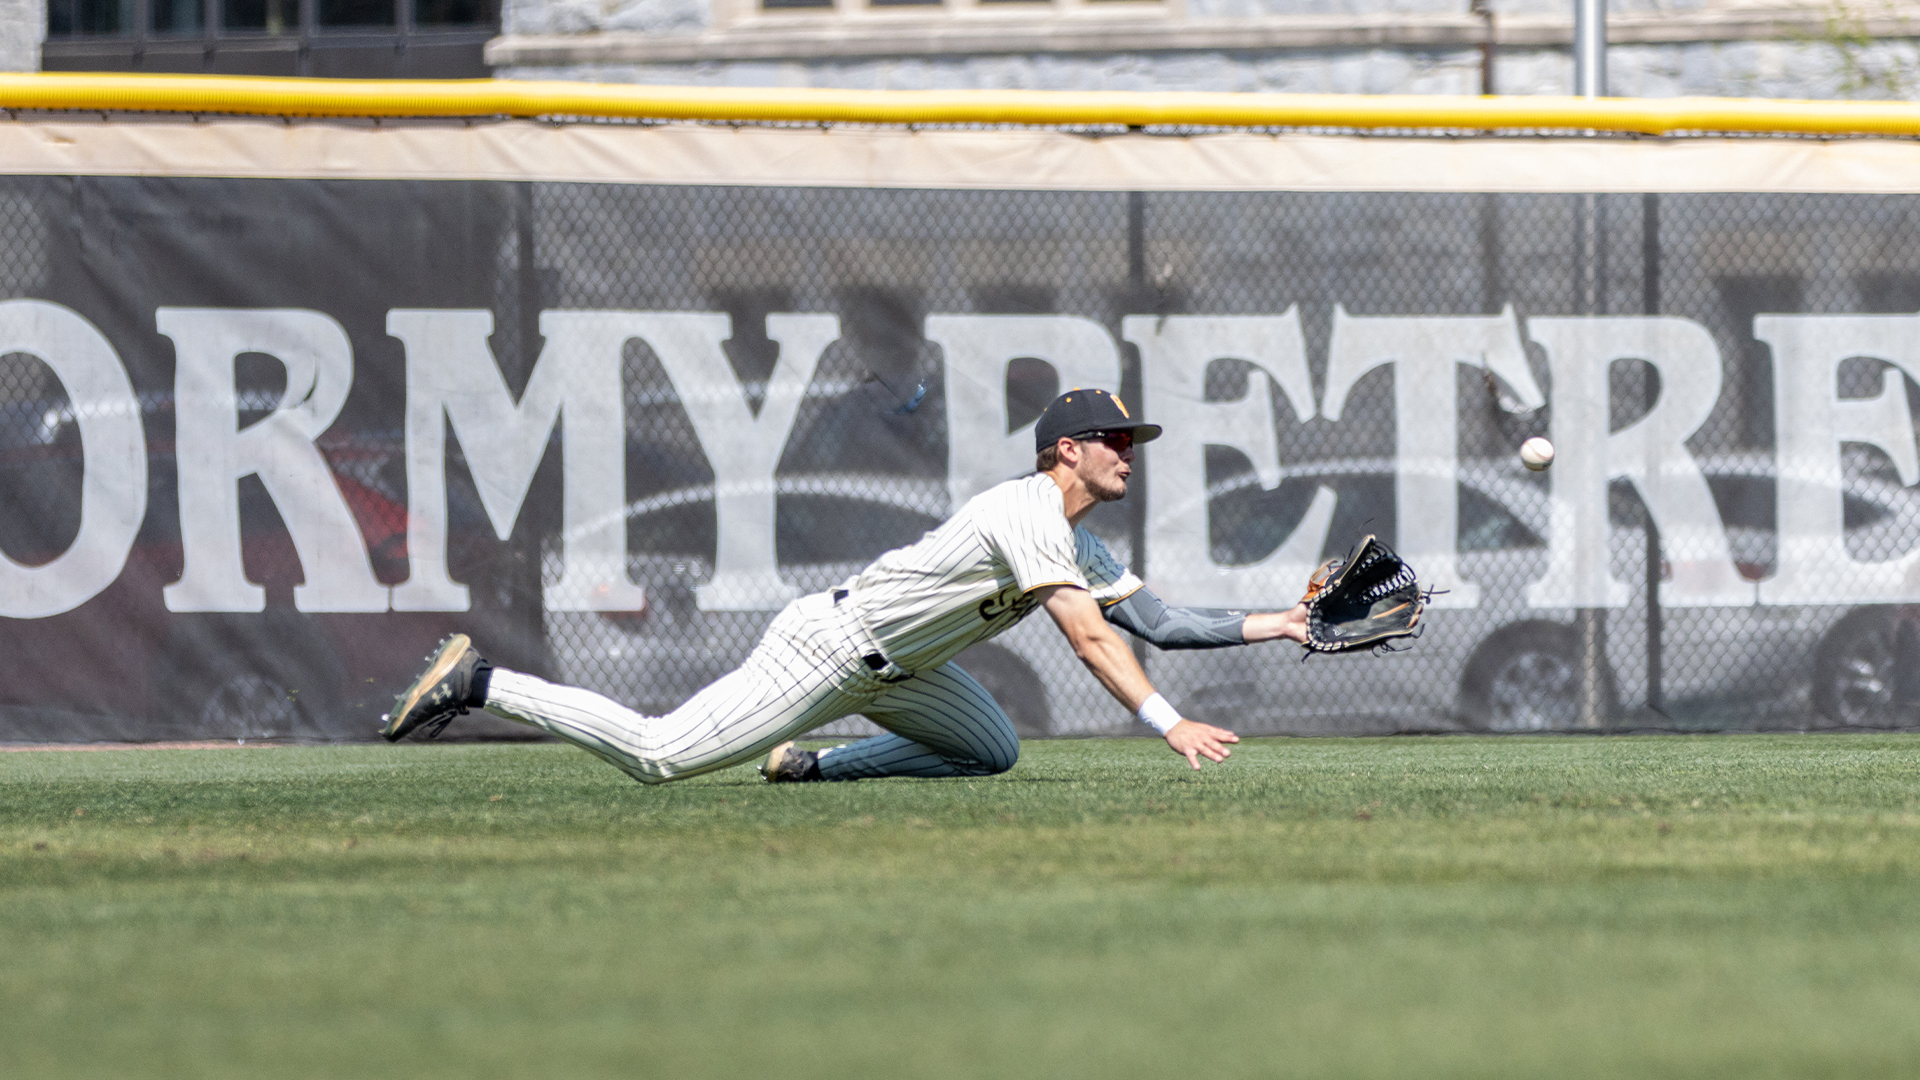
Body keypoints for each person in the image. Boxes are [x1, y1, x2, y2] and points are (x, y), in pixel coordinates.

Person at [382, 388, 1313, 782]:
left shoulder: (1078, 539)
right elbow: (1089, 637)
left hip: (906, 671)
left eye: (1133, 443)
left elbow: (1153, 621)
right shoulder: (1028, 509)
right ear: (1065, 450)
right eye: (1115, 441)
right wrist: (1169, 724)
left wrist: (1287, 624)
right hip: (831, 649)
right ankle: (482, 681)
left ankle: (814, 766)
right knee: (660, 757)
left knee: (992, 751)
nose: (1127, 454)